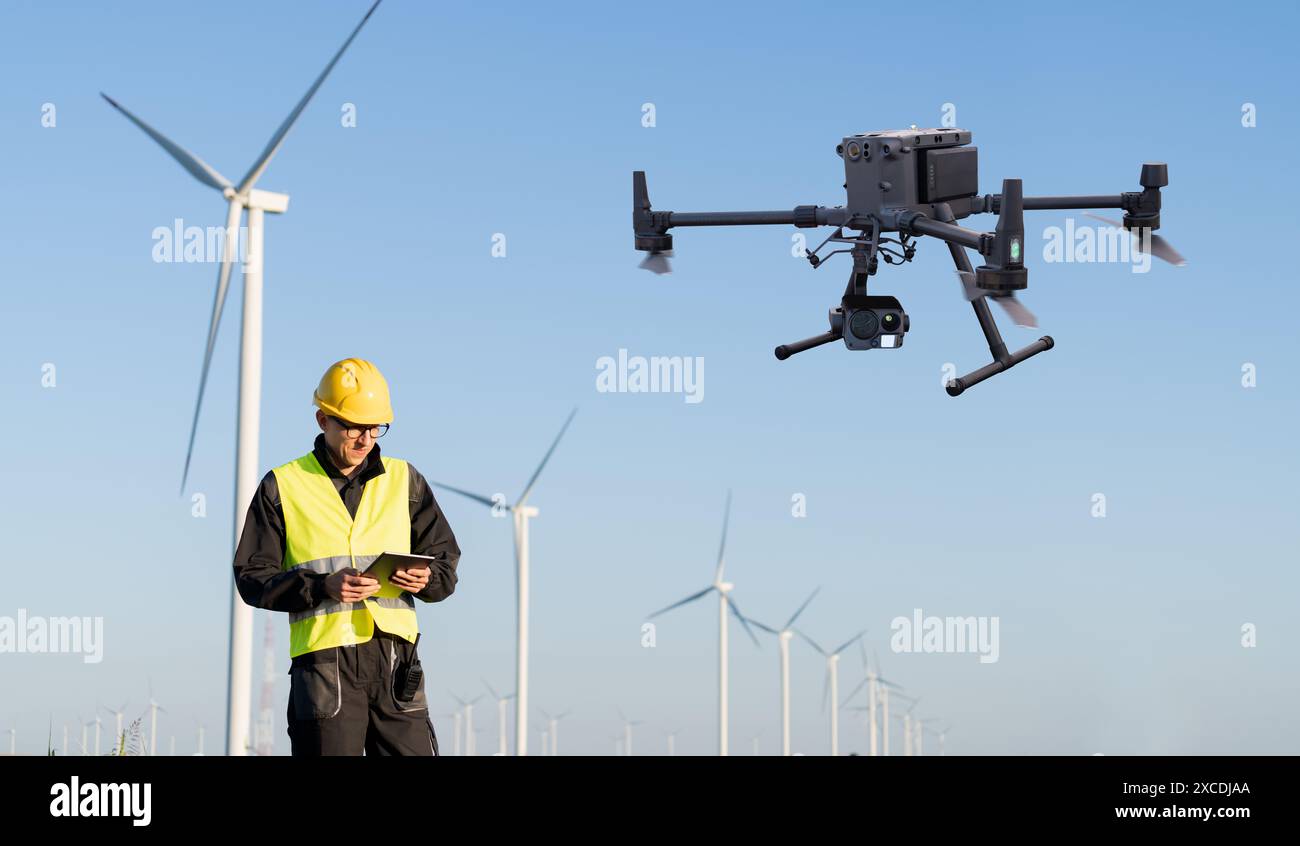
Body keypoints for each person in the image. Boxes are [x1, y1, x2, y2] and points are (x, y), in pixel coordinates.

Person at [232, 357, 461, 755]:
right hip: (324, 666)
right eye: (354, 426)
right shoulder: (282, 486)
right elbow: (252, 577)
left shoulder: (406, 480)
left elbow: (444, 563)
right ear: (323, 420)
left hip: (396, 663)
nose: (365, 439)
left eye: (375, 427)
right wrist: (322, 586)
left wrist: (428, 579)